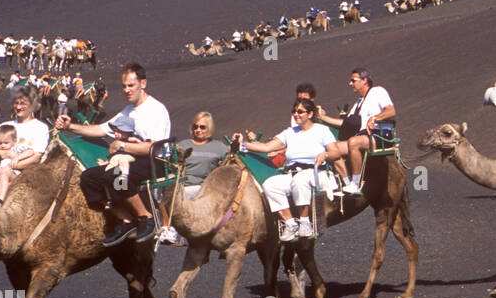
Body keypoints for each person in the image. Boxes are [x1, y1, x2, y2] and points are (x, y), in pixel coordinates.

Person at [58, 63, 171, 247]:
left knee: (118, 174)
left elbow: (153, 148)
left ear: (143, 83)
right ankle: (126, 219)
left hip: (153, 161)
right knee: (88, 177)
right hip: (129, 160)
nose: (126, 90)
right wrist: (70, 126)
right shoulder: (127, 111)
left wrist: (123, 146)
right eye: (124, 86)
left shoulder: (156, 110)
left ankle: (146, 218)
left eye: (131, 85)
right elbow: (101, 129)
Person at [235, 99, 334, 242]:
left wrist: (325, 154)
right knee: (270, 184)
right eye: (294, 111)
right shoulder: (289, 133)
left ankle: (305, 222)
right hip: (293, 172)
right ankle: (290, 223)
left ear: (311, 113)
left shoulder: (322, 130)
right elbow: (267, 147)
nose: (296, 114)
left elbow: (335, 151)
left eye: (300, 111)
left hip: (316, 171)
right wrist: (242, 144)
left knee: (300, 181)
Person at [155, 111, 230, 245]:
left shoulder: (220, 147)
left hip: (205, 188)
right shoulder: (182, 145)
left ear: (209, 128)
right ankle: (168, 229)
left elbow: (231, 160)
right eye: (195, 126)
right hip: (183, 185)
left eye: (202, 127)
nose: (198, 130)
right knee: (163, 193)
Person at [335, 68, 396, 195]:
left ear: (364, 80)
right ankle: (345, 182)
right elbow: (345, 123)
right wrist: (322, 118)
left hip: (381, 135)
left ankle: (355, 184)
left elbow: (391, 111)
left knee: (353, 142)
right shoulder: (359, 102)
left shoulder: (378, 91)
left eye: (353, 80)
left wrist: (374, 118)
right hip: (363, 136)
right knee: (332, 149)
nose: (350, 83)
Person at [0, 88, 51, 173]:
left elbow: (36, 157)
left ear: (32, 105)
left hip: (23, 175)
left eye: (23, 104)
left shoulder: (40, 128)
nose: (18, 107)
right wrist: (8, 154)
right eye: (16, 103)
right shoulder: (5, 126)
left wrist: (9, 167)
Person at [0, 124, 35, 203]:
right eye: (0, 143)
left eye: (6, 143)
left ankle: (0, 199)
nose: (2, 146)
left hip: (10, 174)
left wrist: (18, 158)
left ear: (14, 141)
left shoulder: (16, 148)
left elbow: (30, 151)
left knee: (4, 174)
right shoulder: (0, 152)